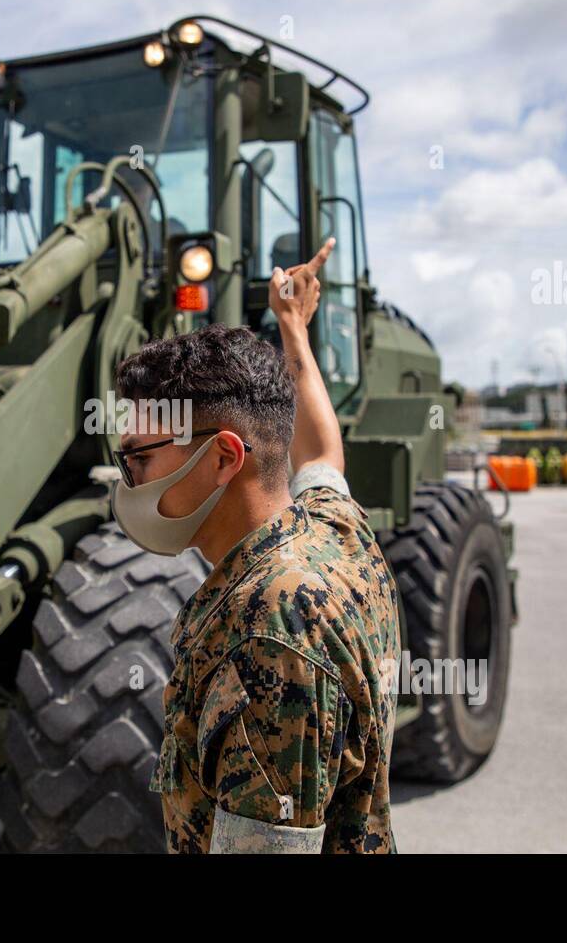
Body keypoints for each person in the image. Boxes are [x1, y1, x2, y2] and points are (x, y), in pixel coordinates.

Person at [110, 239, 401, 853]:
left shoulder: (269, 634)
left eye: (138, 457)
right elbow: (322, 454)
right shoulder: (329, 531)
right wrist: (293, 326)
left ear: (222, 458)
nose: (127, 479)